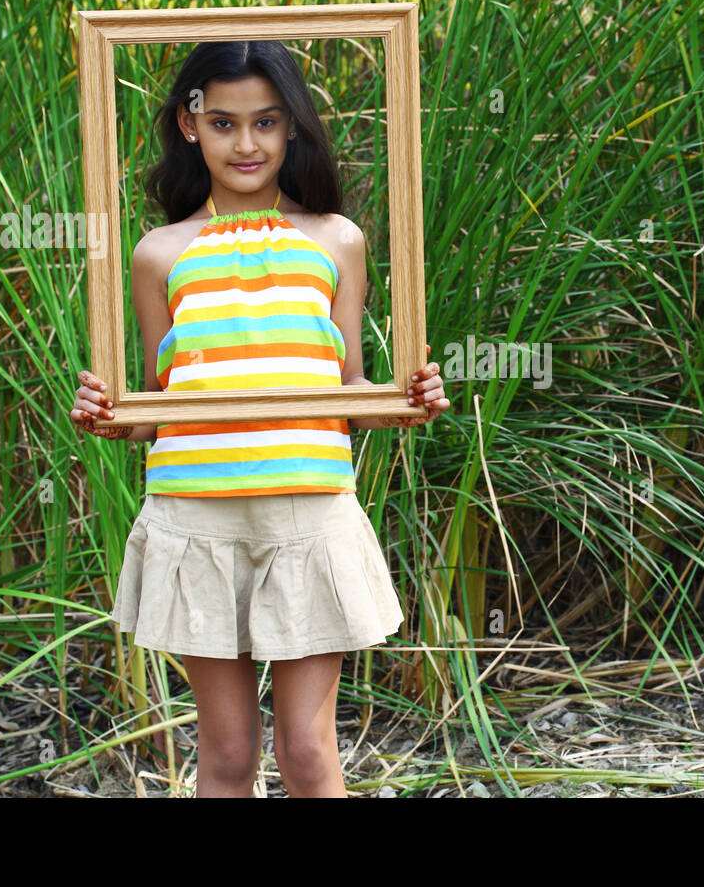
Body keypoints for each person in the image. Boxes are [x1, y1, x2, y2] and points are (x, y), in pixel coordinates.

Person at [70, 40, 448, 797]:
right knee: (229, 754)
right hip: (197, 520)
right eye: (224, 124)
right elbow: (158, 404)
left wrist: (406, 399)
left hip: (305, 516)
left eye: (268, 123)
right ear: (189, 126)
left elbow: (348, 386)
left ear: (292, 128)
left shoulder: (335, 239)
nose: (247, 144)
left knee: (308, 751)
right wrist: (111, 415)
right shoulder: (158, 253)